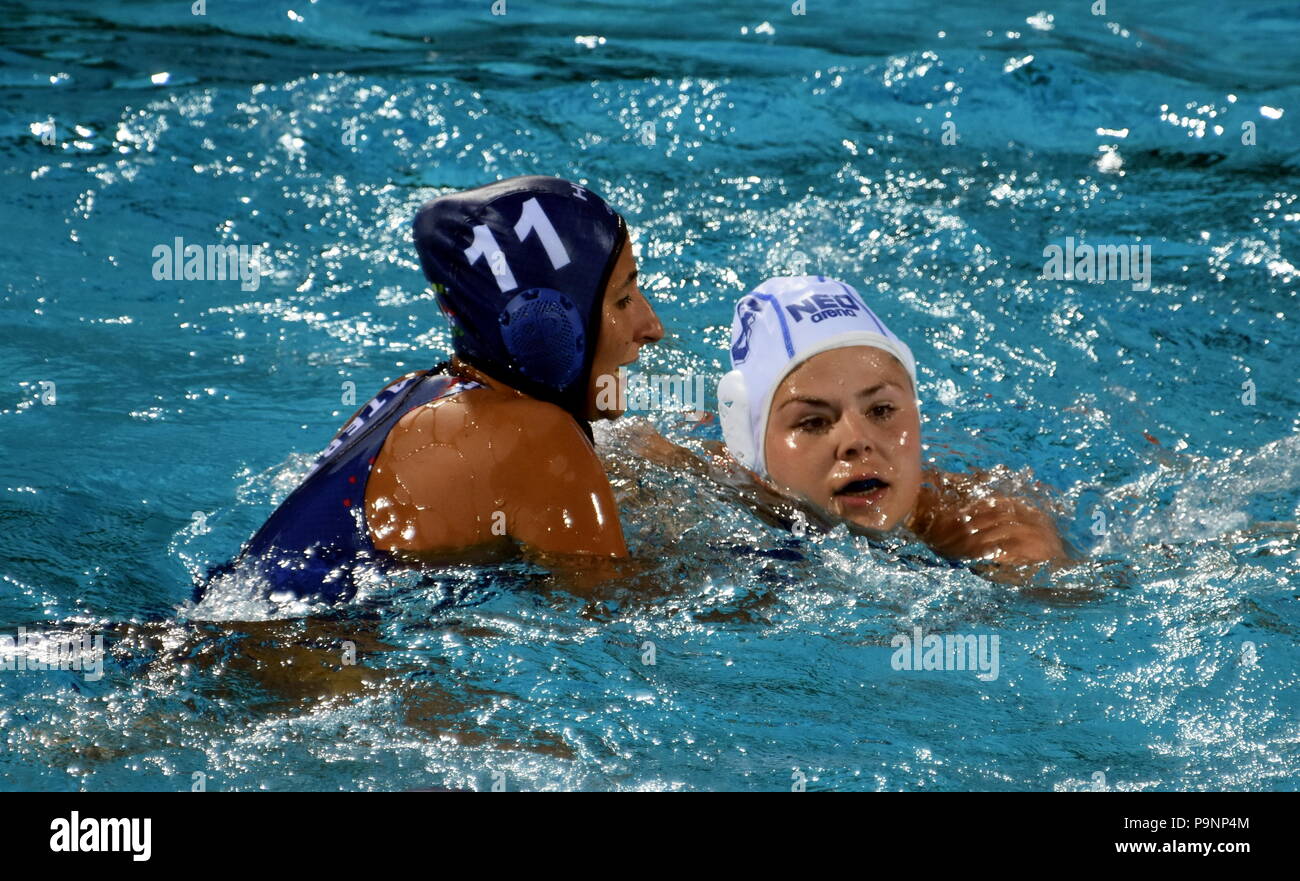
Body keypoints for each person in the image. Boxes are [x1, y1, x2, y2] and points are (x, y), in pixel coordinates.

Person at [197, 175, 663, 604]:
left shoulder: (418, 392)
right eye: (623, 298)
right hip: (307, 670)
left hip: (224, 638)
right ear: (543, 325)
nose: (651, 326)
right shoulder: (538, 436)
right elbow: (619, 612)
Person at [642, 275, 1070, 584]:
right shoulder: (701, 492)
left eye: (882, 410)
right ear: (751, 449)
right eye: (813, 421)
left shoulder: (995, 534)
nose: (857, 441)